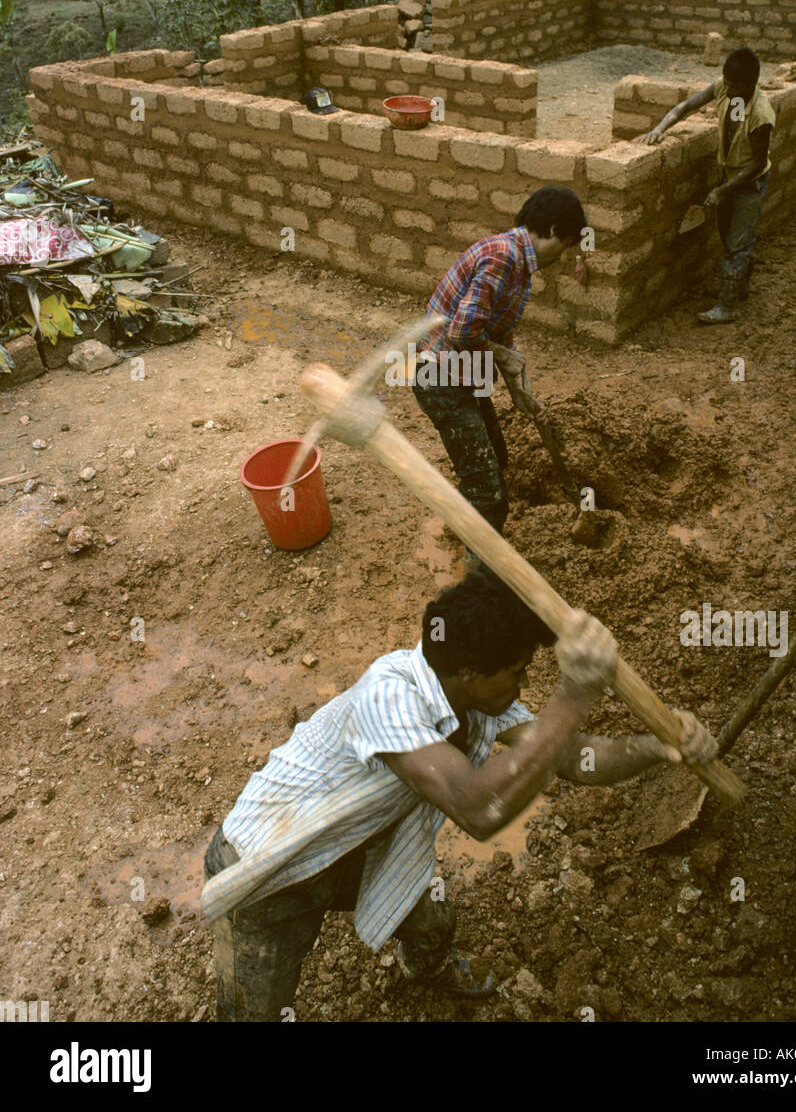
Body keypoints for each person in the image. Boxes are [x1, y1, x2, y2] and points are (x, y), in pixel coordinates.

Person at [202, 572, 718, 1019]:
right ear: (470, 672)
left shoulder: (472, 698)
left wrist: (659, 747)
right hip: (271, 864)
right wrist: (576, 692)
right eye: (516, 672)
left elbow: (568, 756)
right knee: (254, 1012)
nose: (523, 684)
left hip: (354, 848)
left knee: (432, 922)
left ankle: (425, 971)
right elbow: (477, 808)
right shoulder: (388, 696)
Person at [411, 188, 586, 557]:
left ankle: (463, 517)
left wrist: (520, 391)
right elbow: (462, 333)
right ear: (553, 230)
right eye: (566, 245)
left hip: (465, 374)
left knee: (496, 459)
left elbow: (499, 338)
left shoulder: (519, 267)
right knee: (489, 492)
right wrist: (503, 358)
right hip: (439, 377)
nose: (564, 255)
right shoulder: (503, 258)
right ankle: (482, 577)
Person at [643, 47, 776, 323]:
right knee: (729, 235)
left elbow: (757, 164)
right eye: (725, 83)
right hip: (729, 176)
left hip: (748, 183)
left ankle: (727, 307)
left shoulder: (761, 115)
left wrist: (722, 190)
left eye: (735, 87)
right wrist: (660, 128)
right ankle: (740, 284)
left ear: (750, 85)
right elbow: (686, 107)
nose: (728, 91)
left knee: (738, 243)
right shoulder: (724, 88)